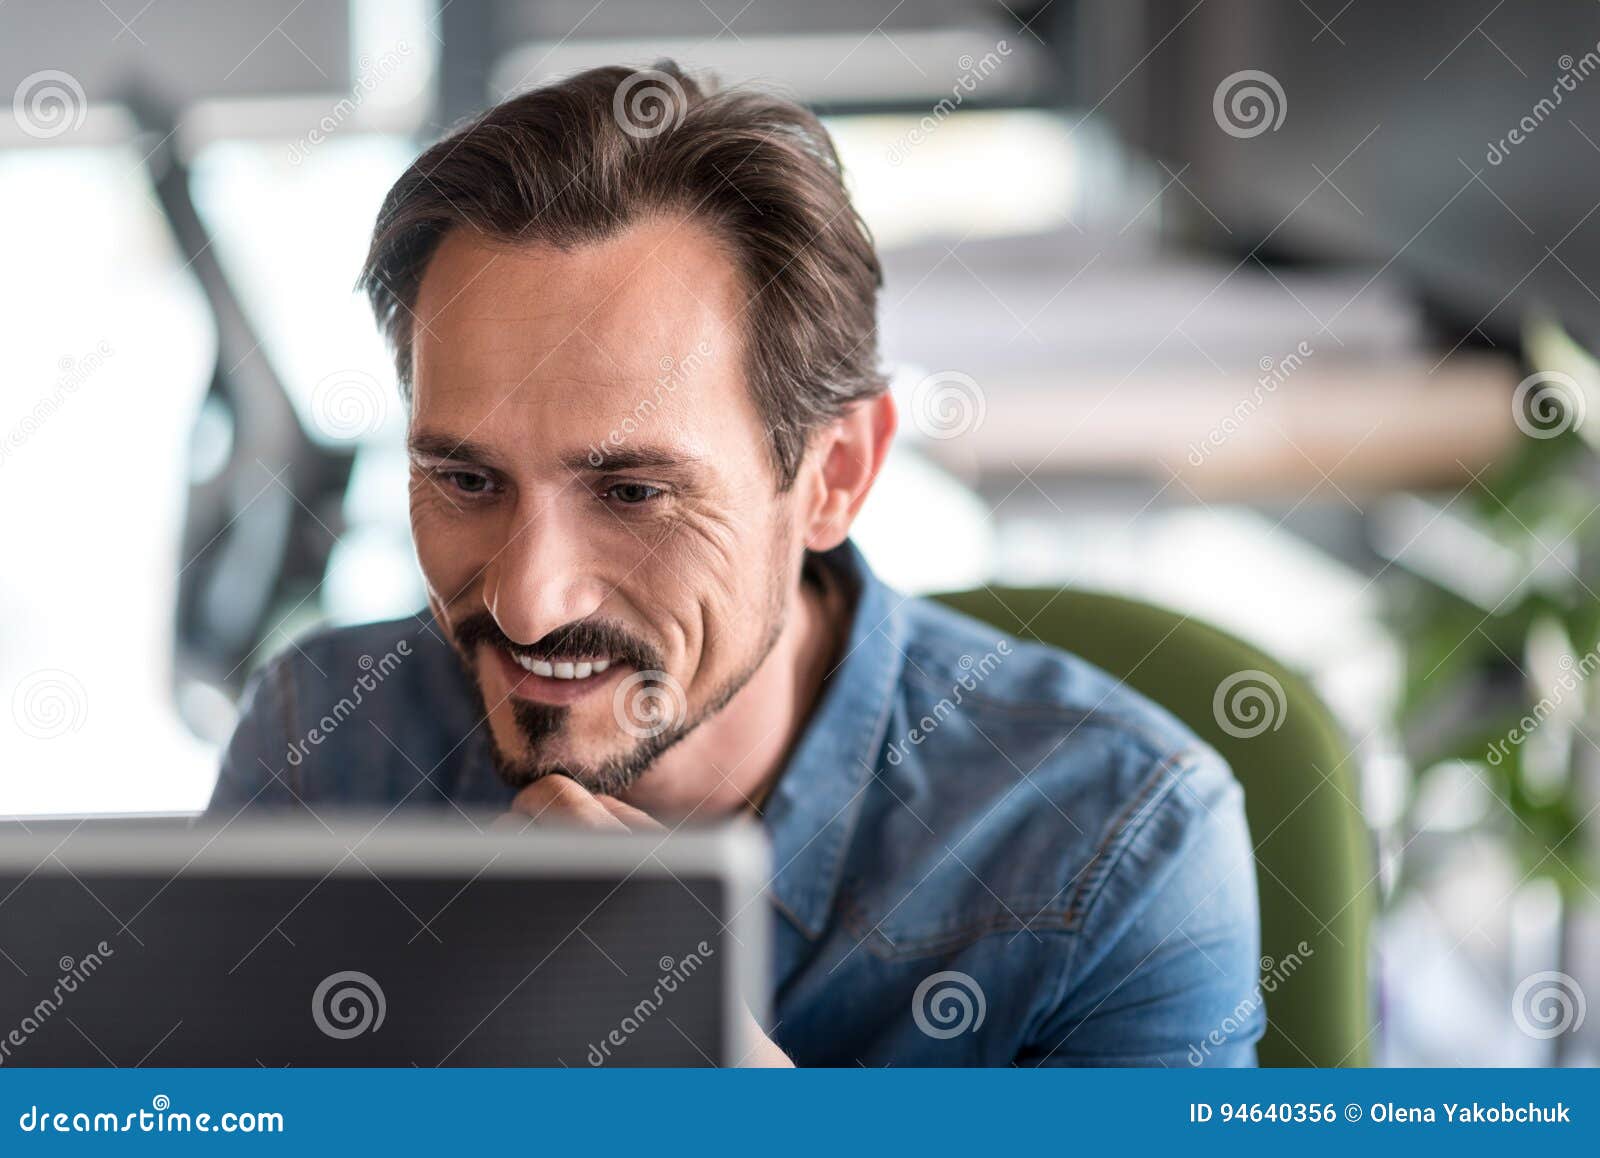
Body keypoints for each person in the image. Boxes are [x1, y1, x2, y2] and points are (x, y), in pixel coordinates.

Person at [211, 62, 1262, 1067]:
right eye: (467, 481)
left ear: (833, 475)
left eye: (633, 494)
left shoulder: (1118, 850)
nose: (528, 603)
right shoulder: (325, 747)